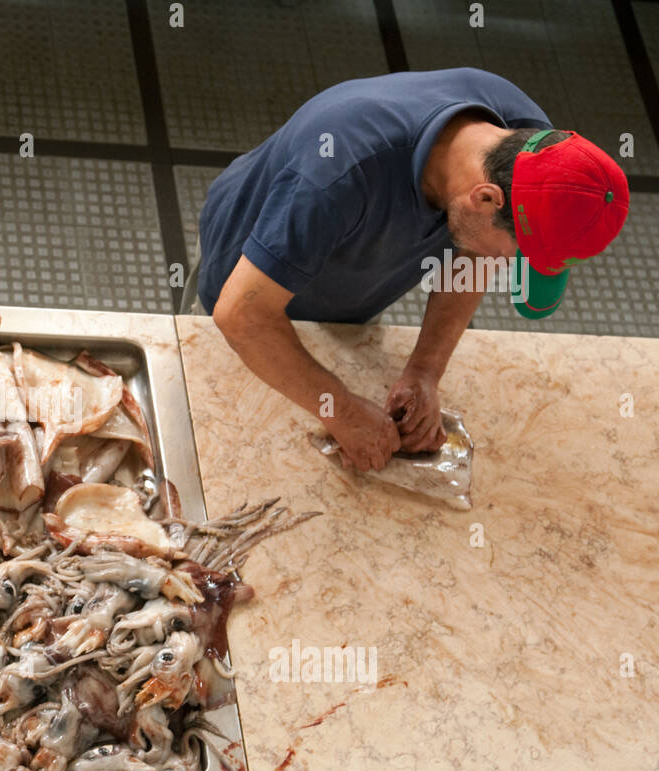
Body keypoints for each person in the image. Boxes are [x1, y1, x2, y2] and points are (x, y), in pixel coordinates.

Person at [183, 68, 629, 471]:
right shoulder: (336, 172)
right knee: (222, 436)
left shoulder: (532, 149)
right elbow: (241, 316)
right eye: (514, 255)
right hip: (247, 279)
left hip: (353, 277)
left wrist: (425, 372)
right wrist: (342, 411)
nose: (506, 265)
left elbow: (474, 254)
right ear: (486, 198)